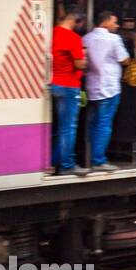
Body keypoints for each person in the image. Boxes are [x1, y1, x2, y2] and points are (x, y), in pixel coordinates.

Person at [82, 11, 131, 172]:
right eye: (114, 22)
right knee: (104, 124)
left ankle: (88, 157)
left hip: (92, 87)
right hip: (110, 88)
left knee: (92, 123)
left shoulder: (86, 38)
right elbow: (124, 59)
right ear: (105, 22)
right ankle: (99, 160)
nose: (117, 25)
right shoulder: (113, 39)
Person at [50, 9, 88, 177]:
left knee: (61, 128)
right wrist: (85, 58)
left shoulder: (53, 33)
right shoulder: (73, 38)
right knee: (69, 128)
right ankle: (67, 165)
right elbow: (80, 64)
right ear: (76, 22)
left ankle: (54, 162)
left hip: (55, 85)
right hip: (69, 86)